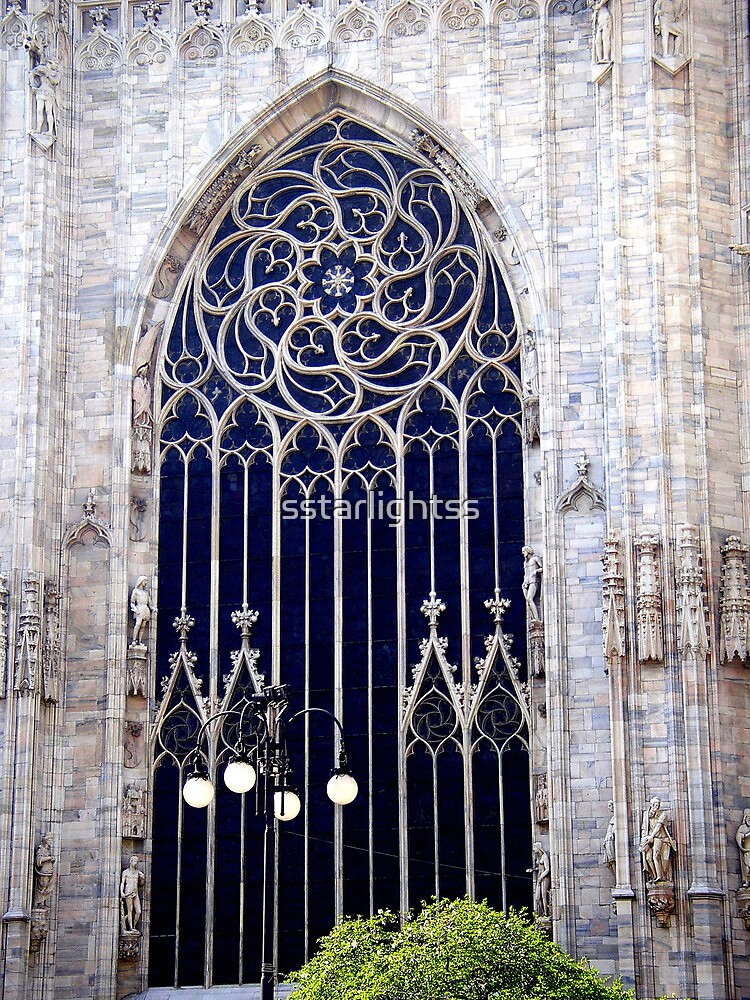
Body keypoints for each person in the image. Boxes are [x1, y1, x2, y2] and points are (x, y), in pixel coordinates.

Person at [639, 796, 677, 882]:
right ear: (652, 805)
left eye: (658, 805)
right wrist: (644, 839)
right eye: (656, 805)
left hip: (659, 838)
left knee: (657, 857)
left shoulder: (663, 814)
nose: (658, 807)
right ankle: (654, 875)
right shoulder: (646, 814)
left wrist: (651, 837)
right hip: (649, 838)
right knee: (648, 858)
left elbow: (658, 827)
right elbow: (644, 828)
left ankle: (660, 876)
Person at [28, 58, 60, 136]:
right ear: (50, 62)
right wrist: (33, 85)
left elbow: (55, 82)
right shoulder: (42, 68)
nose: (56, 66)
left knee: (48, 111)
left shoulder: (56, 73)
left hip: (49, 93)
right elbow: (32, 73)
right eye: (55, 63)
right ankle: (38, 129)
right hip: (40, 91)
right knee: (39, 110)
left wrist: (48, 75)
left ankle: (50, 131)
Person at [120, 856, 146, 933]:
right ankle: (131, 928)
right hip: (128, 892)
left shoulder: (137, 872)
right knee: (130, 910)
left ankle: (134, 926)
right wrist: (122, 892)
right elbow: (122, 883)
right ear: (131, 862)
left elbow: (141, 884)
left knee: (138, 911)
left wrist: (142, 878)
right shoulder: (125, 872)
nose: (135, 863)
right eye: (134, 861)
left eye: (136, 862)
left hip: (135, 892)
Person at [522, 546, 543, 621]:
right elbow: (526, 574)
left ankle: (537, 618)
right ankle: (533, 617)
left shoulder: (535, 559)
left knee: (529, 598)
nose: (523, 553)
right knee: (528, 601)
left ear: (528, 551)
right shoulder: (525, 563)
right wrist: (524, 582)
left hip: (533, 582)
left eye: (524, 551)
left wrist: (536, 571)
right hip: (526, 583)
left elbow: (543, 568)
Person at [130, 577, 151, 645]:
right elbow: (132, 602)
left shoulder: (146, 593)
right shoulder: (135, 591)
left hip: (145, 609)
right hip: (139, 608)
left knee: (143, 626)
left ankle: (140, 641)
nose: (146, 583)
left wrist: (153, 608)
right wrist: (135, 609)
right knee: (138, 624)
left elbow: (150, 604)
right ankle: (134, 640)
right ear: (141, 581)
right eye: (145, 581)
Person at [592, 0, 612, 64]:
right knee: (597, 41)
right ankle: (600, 59)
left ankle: (606, 57)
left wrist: (599, 5)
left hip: (605, 17)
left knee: (605, 38)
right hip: (599, 21)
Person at [736, 808, 750, 886]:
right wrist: (747, 835)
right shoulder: (742, 828)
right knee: (747, 866)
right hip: (747, 850)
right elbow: (739, 837)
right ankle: (747, 881)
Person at [603, 800, 616, 875]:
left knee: (612, 860)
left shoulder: (617, 818)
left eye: (610, 805)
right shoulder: (613, 818)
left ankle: (618, 876)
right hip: (608, 841)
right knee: (608, 863)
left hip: (611, 841)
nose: (609, 807)